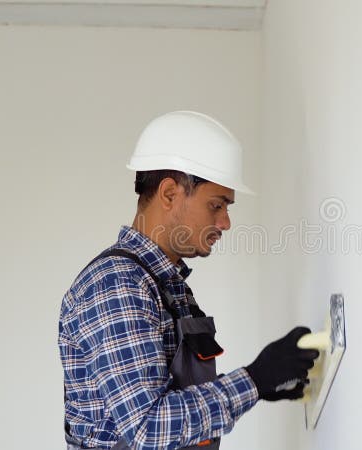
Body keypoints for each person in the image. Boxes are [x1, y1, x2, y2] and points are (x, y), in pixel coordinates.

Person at [58, 111, 320, 450]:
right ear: (169, 194)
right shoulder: (117, 285)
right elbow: (147, 428)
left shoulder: (165, 285)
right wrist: (254, 379)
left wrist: (259, 387)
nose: (225, 222)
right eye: (216, 205)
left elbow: (166, 397)